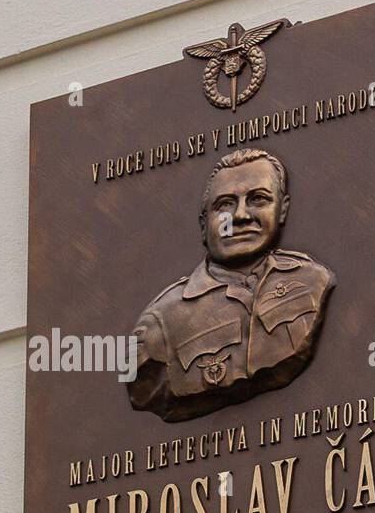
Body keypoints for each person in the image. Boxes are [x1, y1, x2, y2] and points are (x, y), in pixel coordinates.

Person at [127, 147, 334, 422]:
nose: (240, 216)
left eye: (258, 199)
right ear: (204, 224)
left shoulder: (314, 280)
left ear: (282, 210)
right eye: (224, 204)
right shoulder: (159, 322)